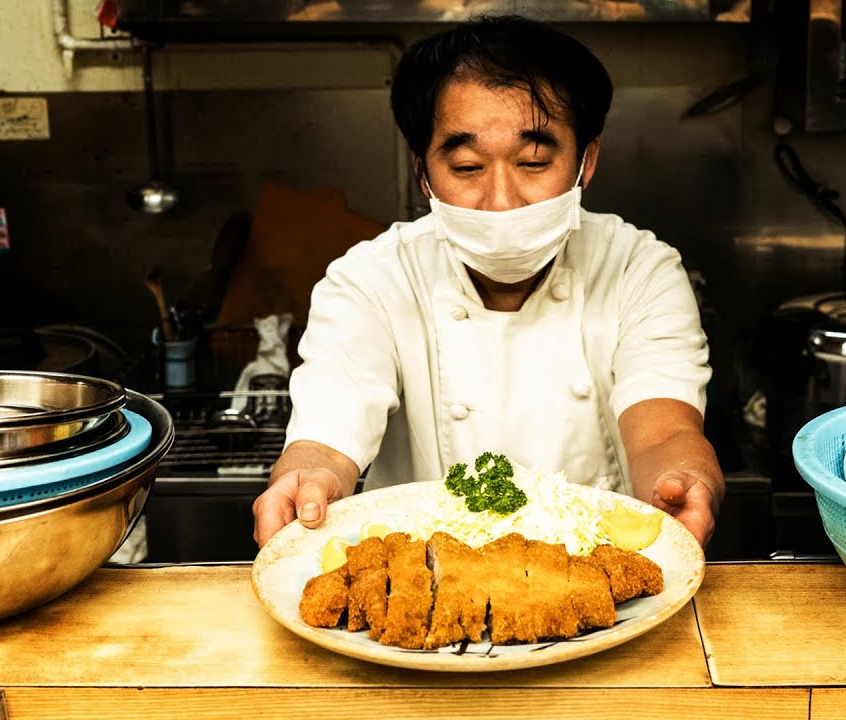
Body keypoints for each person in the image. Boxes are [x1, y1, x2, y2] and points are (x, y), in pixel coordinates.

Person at [252, 15, 723, 548]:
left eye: (534, 161)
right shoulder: (370, 280)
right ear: (423, 173)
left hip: (604, 573)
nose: (502, 201)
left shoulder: (639, 269)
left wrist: (683, 479)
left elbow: (664, 431)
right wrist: (307, 481)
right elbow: (328, 434)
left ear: (586, 162)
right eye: (468, 167)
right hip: (426, 578)